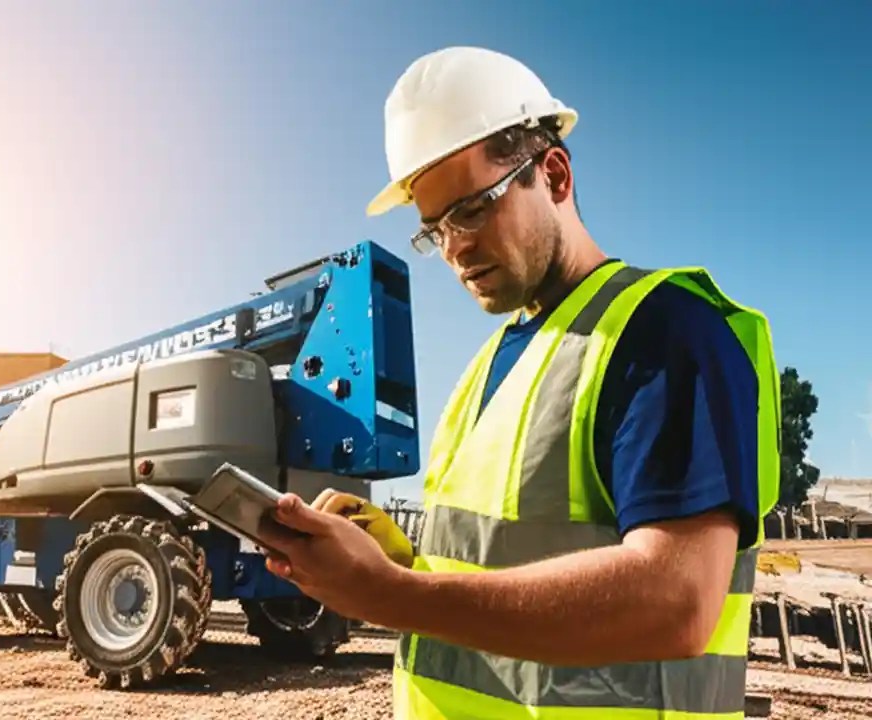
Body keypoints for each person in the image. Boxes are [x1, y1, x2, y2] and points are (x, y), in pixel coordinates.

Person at [259, 46, 781, 719]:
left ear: (554, 174)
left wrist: (387, 593)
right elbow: (499, 569)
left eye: (472, 211)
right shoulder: (489, 366)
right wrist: (405, 559)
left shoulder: (667, 332)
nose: (455, 249)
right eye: (434, 230)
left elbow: (676, 599)